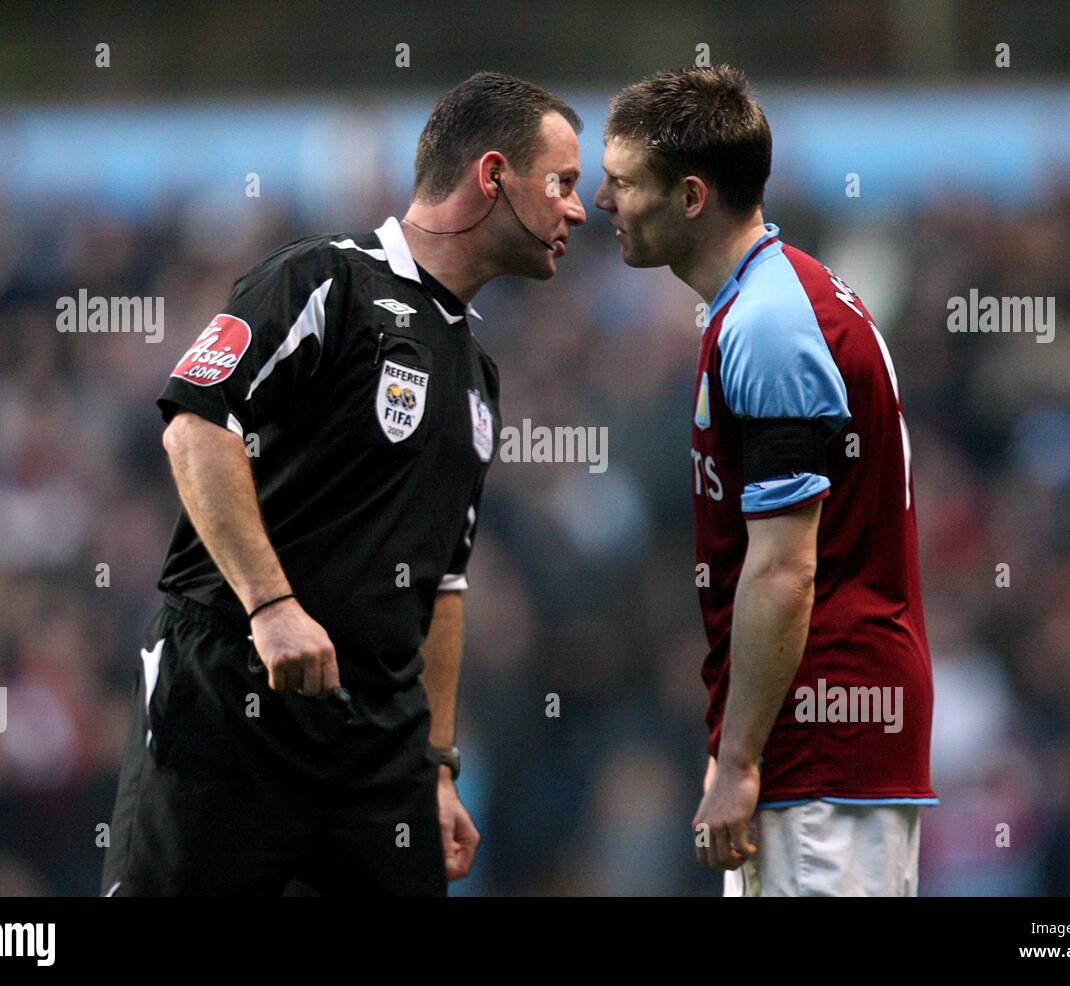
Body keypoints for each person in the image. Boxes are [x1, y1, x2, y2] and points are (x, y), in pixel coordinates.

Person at [101, 71, 586, 896]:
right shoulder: (322, 281)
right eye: (564, 183)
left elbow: (445, 585)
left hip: (376, 745)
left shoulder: (478, 373)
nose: (576, 210)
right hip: (230, 698)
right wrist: (271, 605)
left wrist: (436, 768)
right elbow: (194, 422)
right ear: (493, 175)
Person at [594, 65, 936, 896]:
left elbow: (786, 565)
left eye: (622, 182)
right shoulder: (773, 302)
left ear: (690, 196)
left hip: (826, 735)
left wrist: (740, 760)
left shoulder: (773, 326)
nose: (602, 203)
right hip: (807, 729)